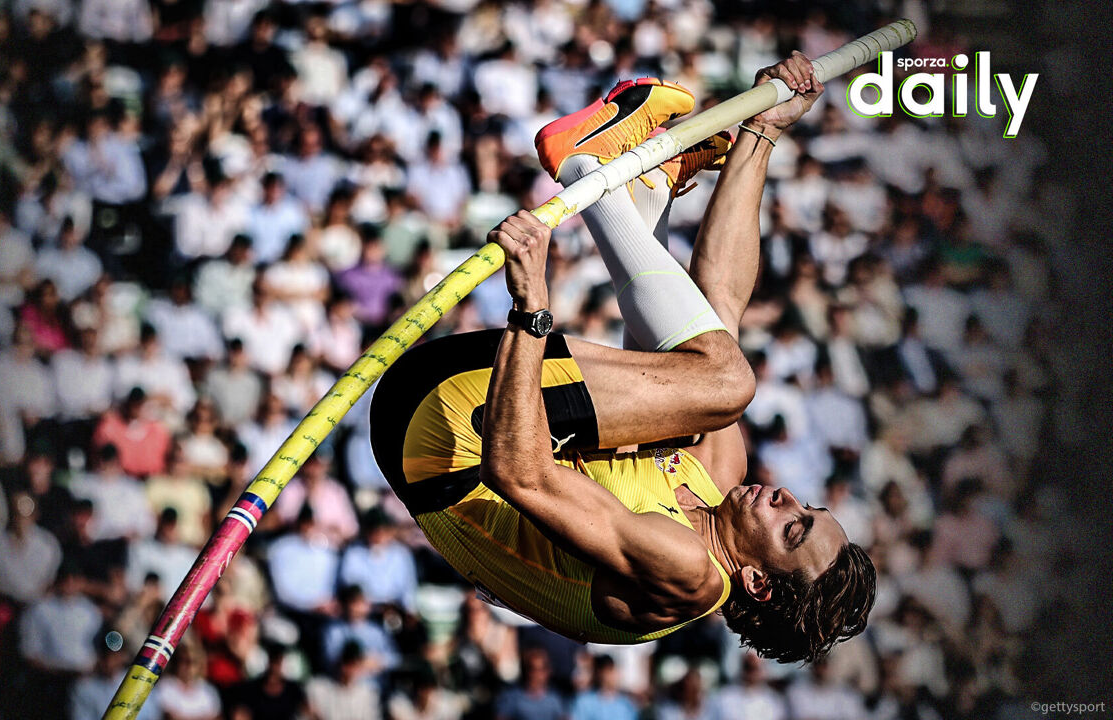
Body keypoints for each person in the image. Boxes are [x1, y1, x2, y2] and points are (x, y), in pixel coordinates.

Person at [370, 59, 875, 663]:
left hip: (451, 442)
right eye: (808, 506)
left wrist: (532, 310)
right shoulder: (721, 473)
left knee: (726, 383)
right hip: (467, 410)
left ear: (757, 583)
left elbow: (519, 474)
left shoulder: (689, 576)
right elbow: (720, 303)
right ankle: (644, 189)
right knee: (716, 361)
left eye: (792, 528)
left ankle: (585, 167)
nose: (787, 498)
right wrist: (764, 130)